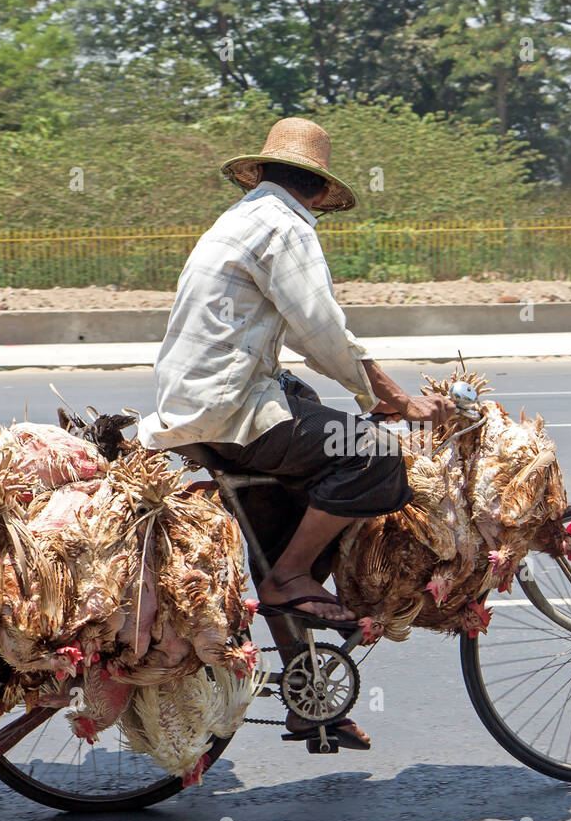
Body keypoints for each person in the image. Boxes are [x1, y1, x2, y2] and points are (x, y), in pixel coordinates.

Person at [138, 117, 454, 748]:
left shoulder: (241, 219)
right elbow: (322, 331)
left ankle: (311, 698)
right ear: (316, 188)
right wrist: (393, 400)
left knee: (277, 531)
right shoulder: (287, 227)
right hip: (229, 407)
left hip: (201, 404)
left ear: (267, 172)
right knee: (372, 456)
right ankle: (292, 578)